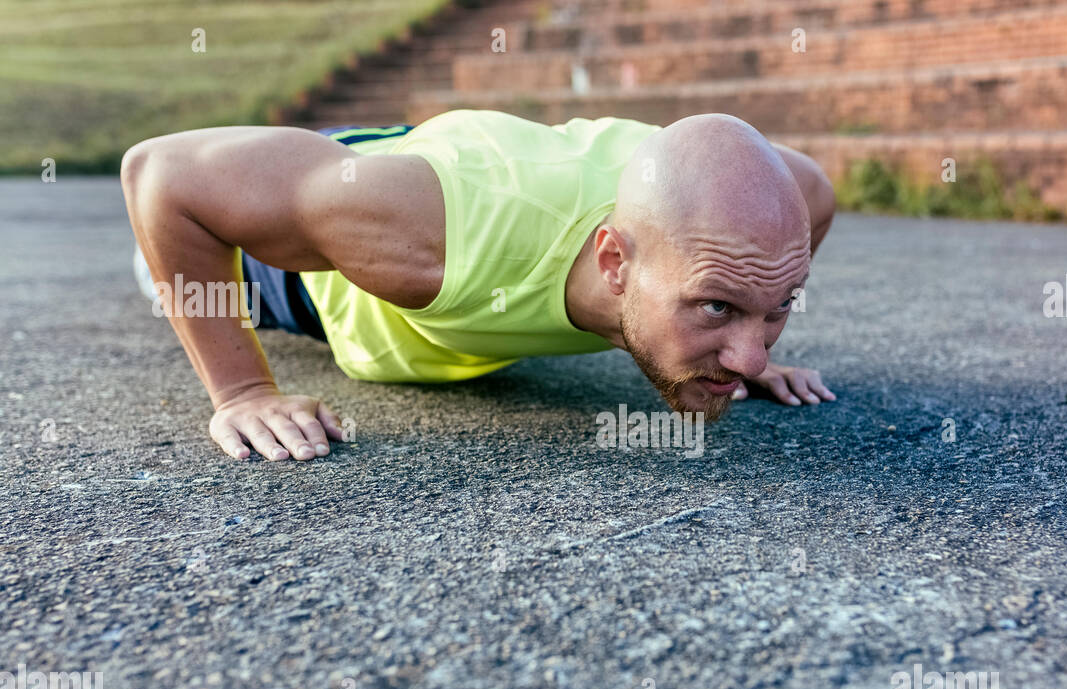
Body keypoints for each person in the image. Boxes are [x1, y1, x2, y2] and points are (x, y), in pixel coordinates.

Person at [123, 110, 837, 462]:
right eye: (716, 306)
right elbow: (161, 175)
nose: (749, 358)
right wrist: (242, 392)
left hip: (472, 168)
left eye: (776, 308)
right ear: (615, 264)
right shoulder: (423, 240)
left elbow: (807, 186)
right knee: (152, 272)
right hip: (334, 241)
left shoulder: (782, 206)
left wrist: (737, 330)